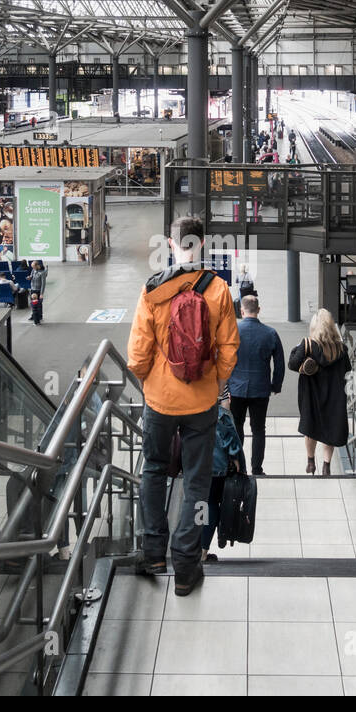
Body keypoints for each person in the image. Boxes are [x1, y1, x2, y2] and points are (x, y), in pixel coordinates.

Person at [126, 215, 240, 596]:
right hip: (202, 402)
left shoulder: (152, 290)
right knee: (196, 480)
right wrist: (217, 383)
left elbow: (138, 352)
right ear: (203, 244)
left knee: (155, 470)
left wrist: (148, 379)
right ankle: (187, 565)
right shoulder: (219, 289)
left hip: (158, 400)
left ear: (171, 245)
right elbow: (228, 349)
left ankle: (153, 552)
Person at [289, 309, 351, 477]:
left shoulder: (307, 345)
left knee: (311, 427)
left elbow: (293, 364)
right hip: (334, 396)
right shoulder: (341, 349)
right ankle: (326, 465)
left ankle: (310, 462)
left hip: (310, 395)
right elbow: (347, 369)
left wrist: (296, 350)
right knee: (329, 428)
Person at [229, 294, 284, 477]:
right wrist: (275, 385)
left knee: (237, 426)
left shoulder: (232, 330)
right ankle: (257, 469)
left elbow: (222, 358)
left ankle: (237, 467)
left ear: (241, 311)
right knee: (259, 429)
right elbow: (280, 364)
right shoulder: (270, 333)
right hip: (261, 389)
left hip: (236, 388)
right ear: (258, 310)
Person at [200, 386, 245, 563]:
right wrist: (238, 462)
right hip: (216, 467)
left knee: (200, 504)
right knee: (212, 504)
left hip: (196, 466)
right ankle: (204, 548)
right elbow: (231, 441)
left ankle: (197, 547)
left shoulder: (193, 410)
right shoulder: (222, 415)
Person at [28, 260, 46, 324]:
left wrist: (41, 293)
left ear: (37, 266)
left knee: (39, 304)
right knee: (33, 303)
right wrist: (29, 278)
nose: (32, 268)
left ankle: (40, 316)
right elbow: (31, 276)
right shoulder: (33, 270)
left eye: (33, 267)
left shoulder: (42, 272)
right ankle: (34, 315)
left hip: (38, 290)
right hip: (33, 289)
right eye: (32, 267)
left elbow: (43, 283)